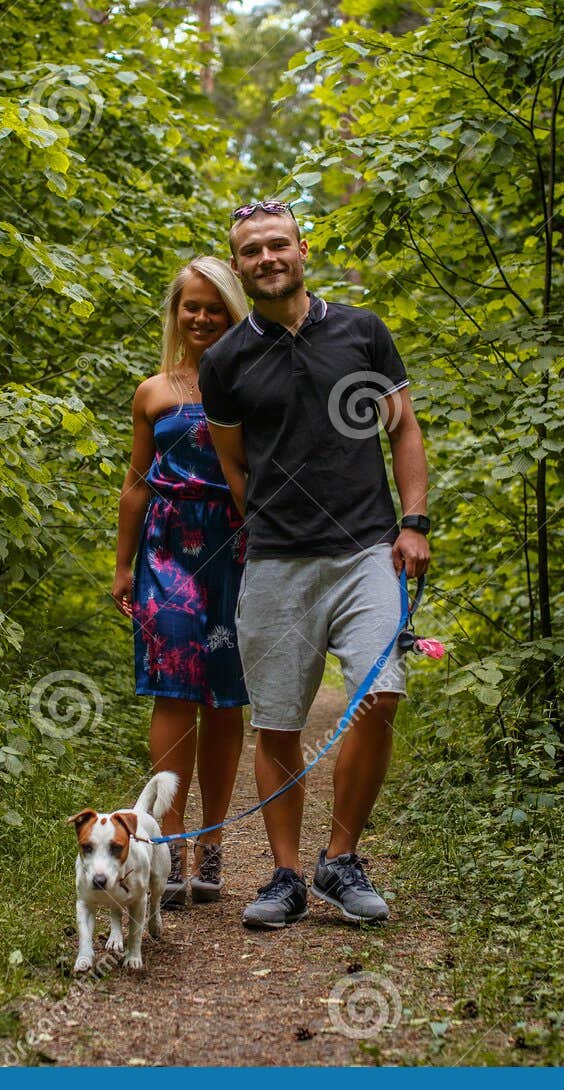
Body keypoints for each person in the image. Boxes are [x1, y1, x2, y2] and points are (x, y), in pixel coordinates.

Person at [199, 200, 432, 929]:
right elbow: (233, 463)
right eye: (251, 251)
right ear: (238, 265)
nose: (267, 258)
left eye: (278, 245)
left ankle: (340, 857)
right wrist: (267, 519)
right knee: (276, 723)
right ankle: (286, 876)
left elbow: (404, 431)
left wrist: (414, 521)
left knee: (380, 694)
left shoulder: (361, 330)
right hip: (275, 560)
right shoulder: (226, 360)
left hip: (367, 547)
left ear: (303, 248)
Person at [112, 256, 252, 907]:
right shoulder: (153, 391)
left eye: (213, 306)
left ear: (232, 311)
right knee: (173, 693)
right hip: (166, 553)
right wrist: (122, 564)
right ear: (176, 313)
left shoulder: (255, 384)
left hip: (236, 548)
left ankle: (213, 848)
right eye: (189, 306)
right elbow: (136, 485)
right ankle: (169, 845)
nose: (200, 317)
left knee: (225, 696)